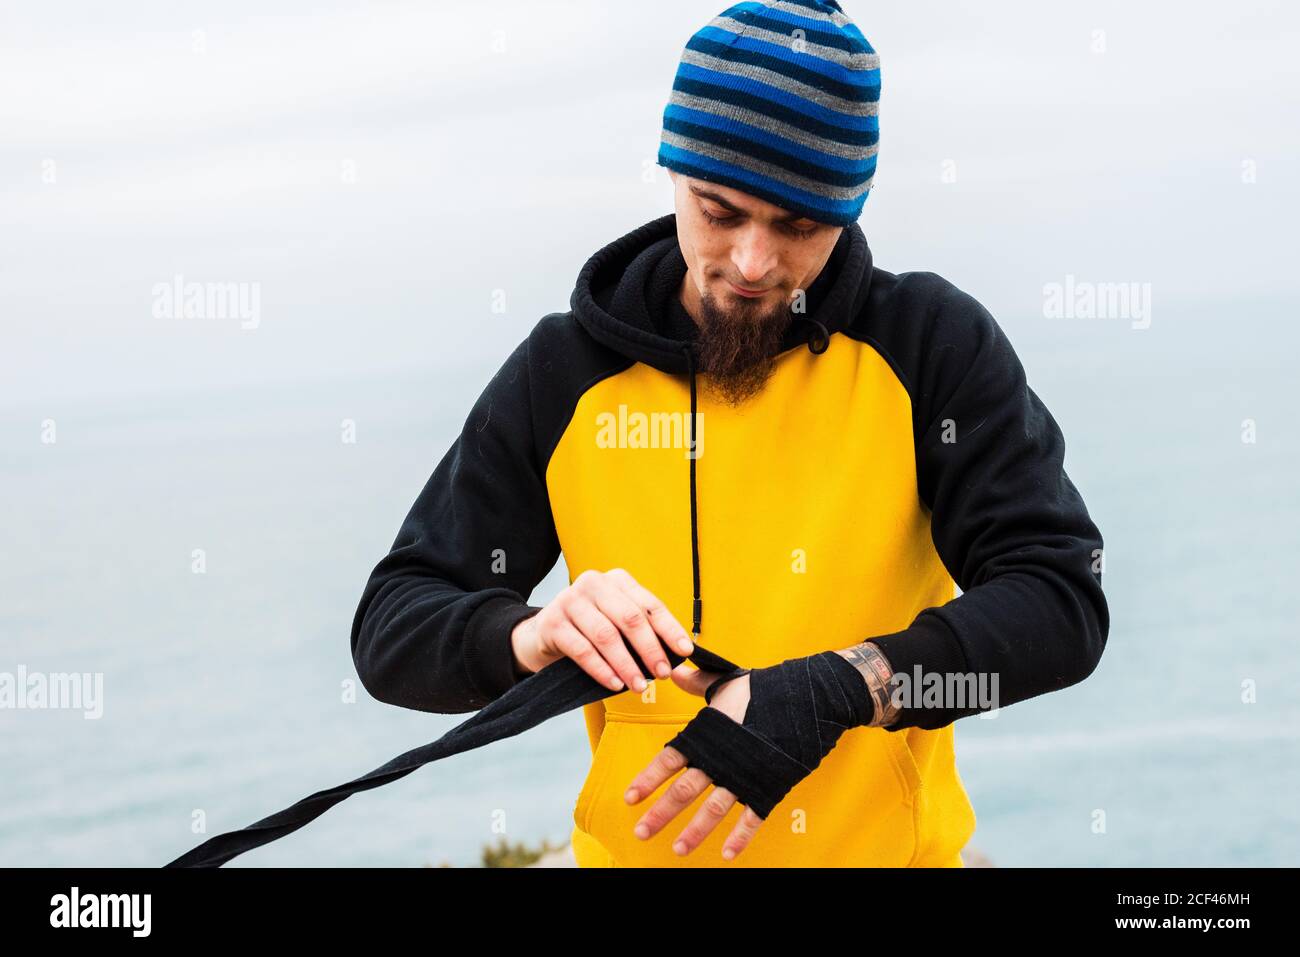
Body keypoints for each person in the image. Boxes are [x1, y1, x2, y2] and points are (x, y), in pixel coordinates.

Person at [350, 0, 1109, 867]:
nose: (753, 264)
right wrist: (532, 634)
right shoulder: (563, 373)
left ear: (848, 212)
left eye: (798, 226)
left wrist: (846, 686)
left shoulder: (930, 345)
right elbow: (392, 627)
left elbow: (1062, 601)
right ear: (673, 173)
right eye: (720, 210)